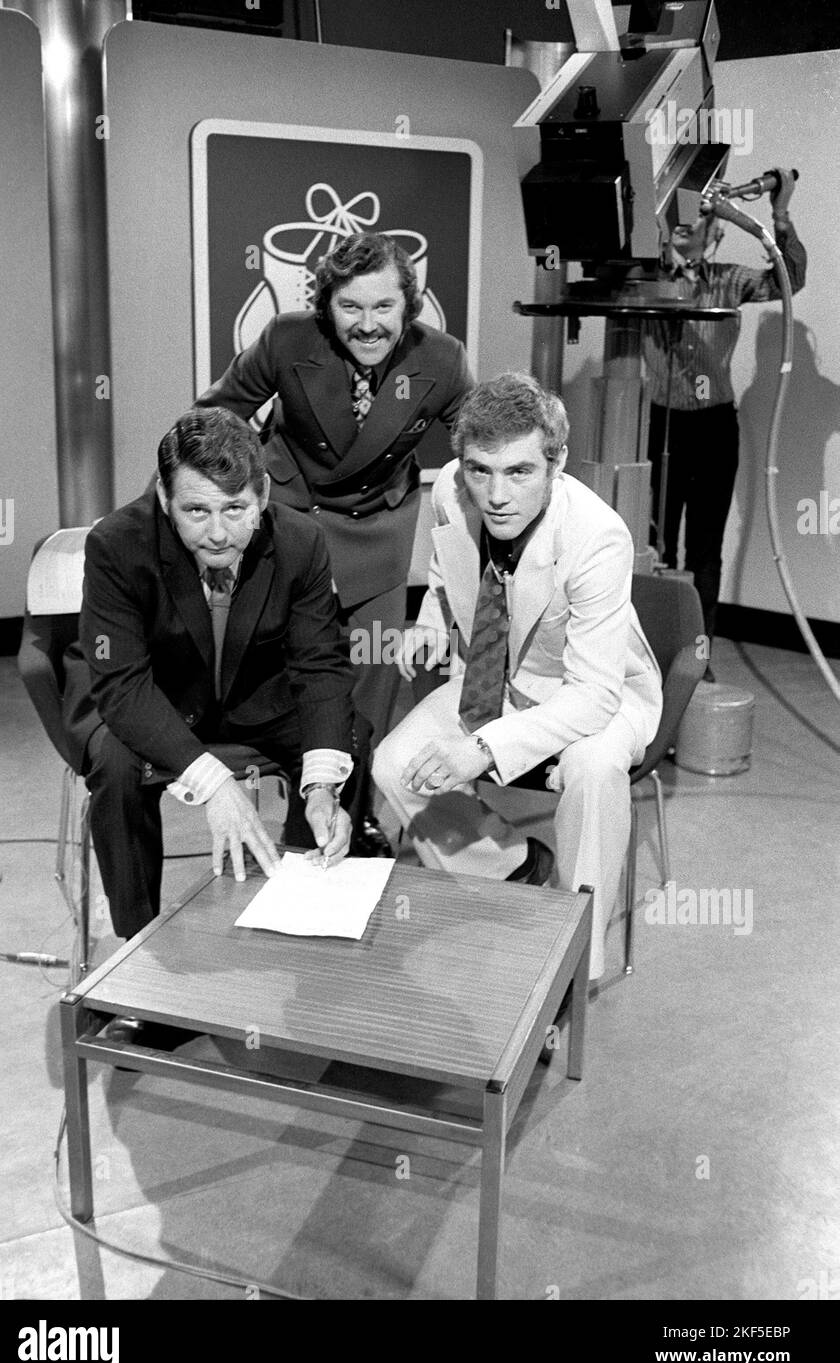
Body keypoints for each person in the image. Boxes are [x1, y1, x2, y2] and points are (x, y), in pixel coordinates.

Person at [372, 374, 663, 982]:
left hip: (596, 690)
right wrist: (430, 621)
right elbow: (444, 567)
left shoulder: (597, 535)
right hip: (498, 675)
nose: (496, 494)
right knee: (394, 764)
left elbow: (592, 696)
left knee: (590, 767)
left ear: (555, 464)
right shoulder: (453, 492)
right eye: (481, 470)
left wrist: (481, 750)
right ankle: (511, 865)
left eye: (520, 472)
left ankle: (576, 964)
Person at [195, 231, 474, 853]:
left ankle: (339, 831)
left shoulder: (443, 359)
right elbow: (215, 417)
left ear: (410, 306)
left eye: (383, 308)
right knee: (297, 683)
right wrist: (184, 504)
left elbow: (480, 449)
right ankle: (302, 829)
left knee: (369, 686)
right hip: (293, 526)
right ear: (327, 307)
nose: (368, 324)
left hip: (377, 537)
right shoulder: (287, 339)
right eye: (351, 307)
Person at [70, 407, 359, 964]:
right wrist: (217, 784)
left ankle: (300, 904)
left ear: (264, 495)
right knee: (116, 767)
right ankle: (136, 944)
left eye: (236, 508)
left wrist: (322, 787)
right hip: (158, 701)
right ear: (163, 497)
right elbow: (124, 686)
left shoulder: (302, 542)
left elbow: (319, 665)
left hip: (253, 696)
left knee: (349, 740)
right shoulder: (116, 546)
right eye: (196, 511)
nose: (220, 532)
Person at [644, 166, 807, 677]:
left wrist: (776, 214)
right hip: (662, 425)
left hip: (715, 428)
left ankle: (697, 657)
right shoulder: (647, 277)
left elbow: (791, 278)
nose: (685, 223)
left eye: (696, 216)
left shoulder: (727, 280)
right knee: (656, 540)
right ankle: (651, 654)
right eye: (677, 217)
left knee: (705, 549)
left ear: (713, 230)